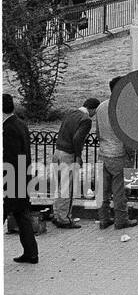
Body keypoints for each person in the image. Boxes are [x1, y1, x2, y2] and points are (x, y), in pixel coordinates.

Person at [92, 75, 137, 230]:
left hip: (103, 154)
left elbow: (97, 132)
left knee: (103, 191)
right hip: (119, 155)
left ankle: (103, 218)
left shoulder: (101, 107)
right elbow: (128, 138)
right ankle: (121, 220)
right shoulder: (124, 109)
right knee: (119, 191)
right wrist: (131, 155)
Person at [3, 93, 38, 264]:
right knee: (22, 215)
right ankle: (31, 253)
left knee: (16, 213)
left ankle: (31, 253)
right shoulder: (20, 124)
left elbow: (9, 158)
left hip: (11, 180)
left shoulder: (7, 129)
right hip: (22, 178)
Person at [52, 97, 98, 227]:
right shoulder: (86, 120)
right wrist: (78, 156)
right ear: (93, 109)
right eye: (95, 112)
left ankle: (56, 214)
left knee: (59, 187)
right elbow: (78, 138)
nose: (94, 115)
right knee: (67, 188)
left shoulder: (71, 113)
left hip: (57, 152)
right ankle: (64, 219)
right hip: (68, 155)